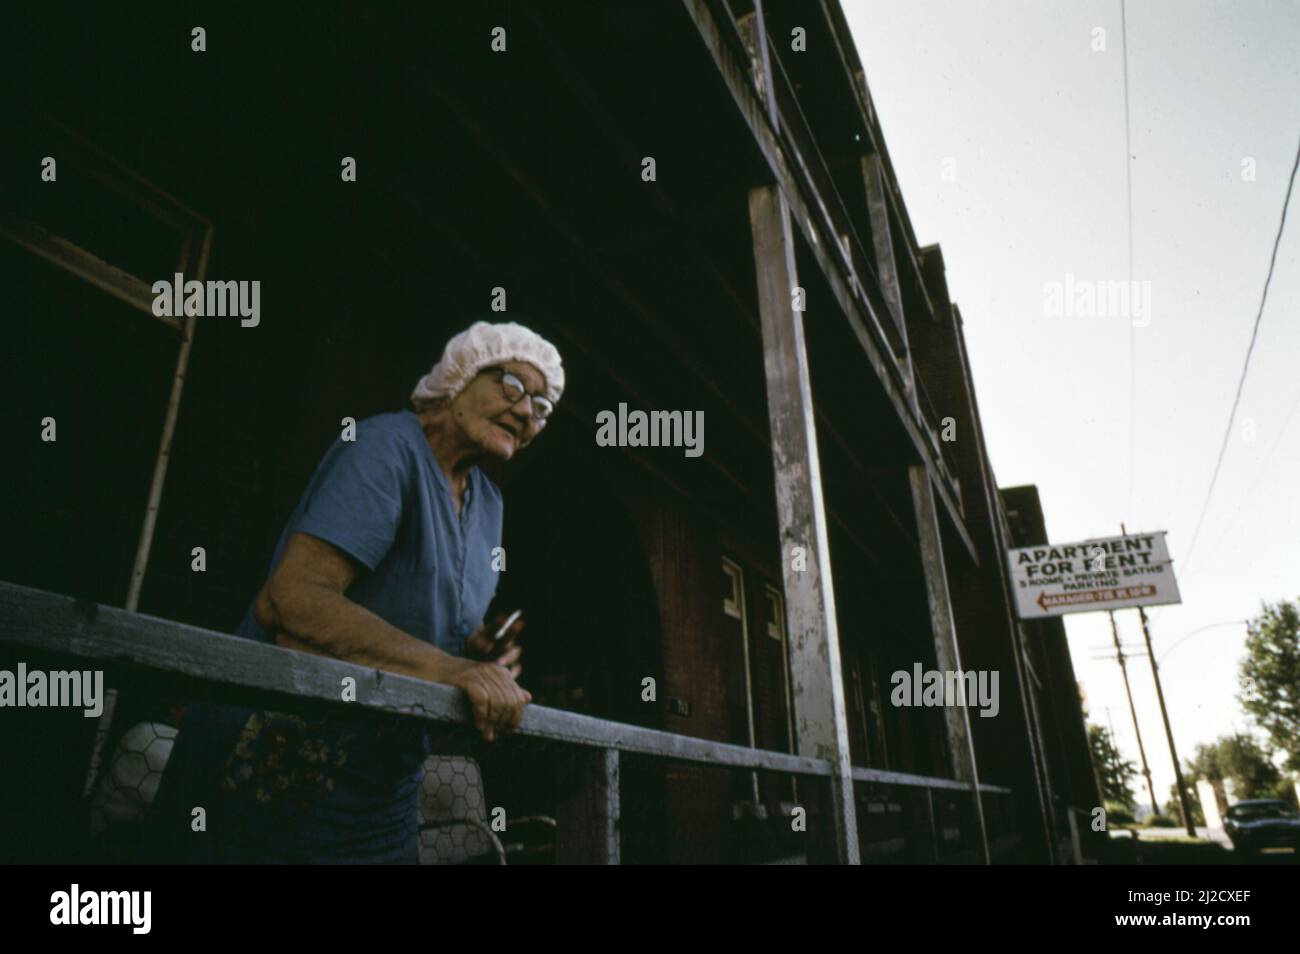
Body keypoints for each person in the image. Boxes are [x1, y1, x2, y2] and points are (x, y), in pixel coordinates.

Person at [148, 320, 564, 863]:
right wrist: (452, 670)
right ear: (460, 376)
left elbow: (430, 629)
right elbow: (291, 599)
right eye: (512, 385)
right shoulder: (385, 447)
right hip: (278, 763)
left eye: (541, 404)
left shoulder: (489, 502)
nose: (527, 409)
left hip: (384, 785)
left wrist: (477, 652)